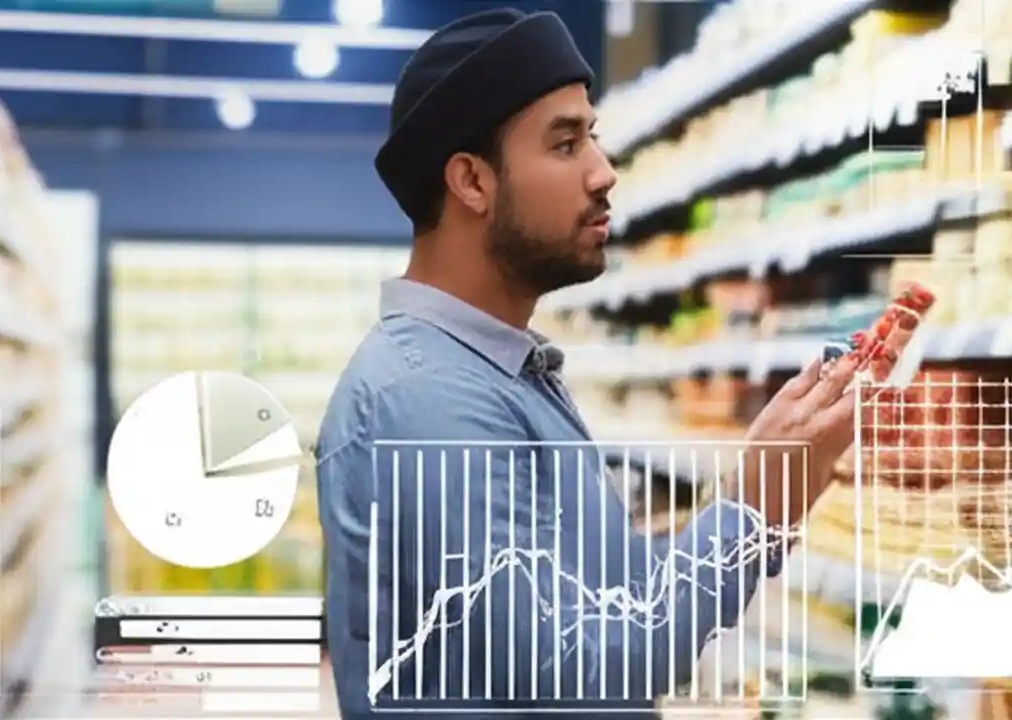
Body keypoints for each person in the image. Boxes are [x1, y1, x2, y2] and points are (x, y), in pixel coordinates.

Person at [315, 8, 916, 718]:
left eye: (593, 137)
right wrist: (754, 509)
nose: (604, 173)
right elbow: (584, 666)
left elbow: (615, 599)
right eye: (566, 143)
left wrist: (768, 480)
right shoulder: (426, 396)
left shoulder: (502, 375)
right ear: (472, 182)